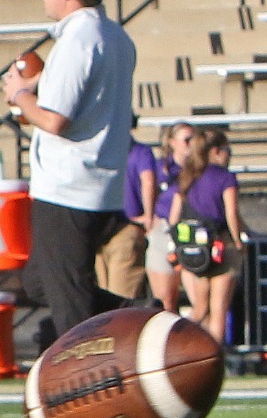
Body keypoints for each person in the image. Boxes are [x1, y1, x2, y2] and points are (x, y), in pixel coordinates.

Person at [2, 0, 139, 343]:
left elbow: (54, 120)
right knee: (42, 282)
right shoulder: (114, 35)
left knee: (69, 303)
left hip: (69, 187)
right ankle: (138, 314)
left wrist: (20, 95)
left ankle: (86, 375)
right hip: (99, 182)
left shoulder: (80, 39)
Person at [164, 127, 244, 345]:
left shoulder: (188, 176)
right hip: (220, 244)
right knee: (218, 308)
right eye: (227, 150)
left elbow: (174, 217)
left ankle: (176, 339)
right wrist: (238, 241)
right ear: (216, 151)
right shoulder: (225, 177)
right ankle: (215, 357)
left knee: (200, 307)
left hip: (195, 248)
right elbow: (231, 213)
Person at [143, 123, 193, 312]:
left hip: (191, 230)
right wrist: (147, 217)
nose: (191, 144)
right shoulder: (161, 168)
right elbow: (146, 190)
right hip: (165, 230)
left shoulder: (199, 169)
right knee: (166, 298)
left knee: (198, 298)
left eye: (194, 140)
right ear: (172, 142)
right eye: (186, 140)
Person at [97, 138, 152, 301]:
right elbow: (148, 180)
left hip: (101, 227)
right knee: (121, 300)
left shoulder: (101, 150)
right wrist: (148, 214)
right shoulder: (140, 152)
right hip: (127, 226)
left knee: (104, 298)